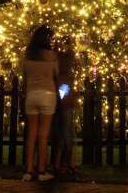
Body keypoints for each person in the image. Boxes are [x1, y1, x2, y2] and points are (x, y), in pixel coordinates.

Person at [22, 25, 58, 182]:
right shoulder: (51, 56)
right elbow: (56, 74)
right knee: (43, 135)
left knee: (32, 134)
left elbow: (24, 75)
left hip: (31, 95)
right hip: (48, 94)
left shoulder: (28, 56)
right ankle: (42, 171)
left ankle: (28, 171)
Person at [49, 48, 79, 176]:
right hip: (64, 104)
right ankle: (64, 163)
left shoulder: (61, 71)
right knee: (65, 133)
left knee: (61, 134)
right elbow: (63, 92)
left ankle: (59, 163)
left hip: (61, 103)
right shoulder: (65, 75)